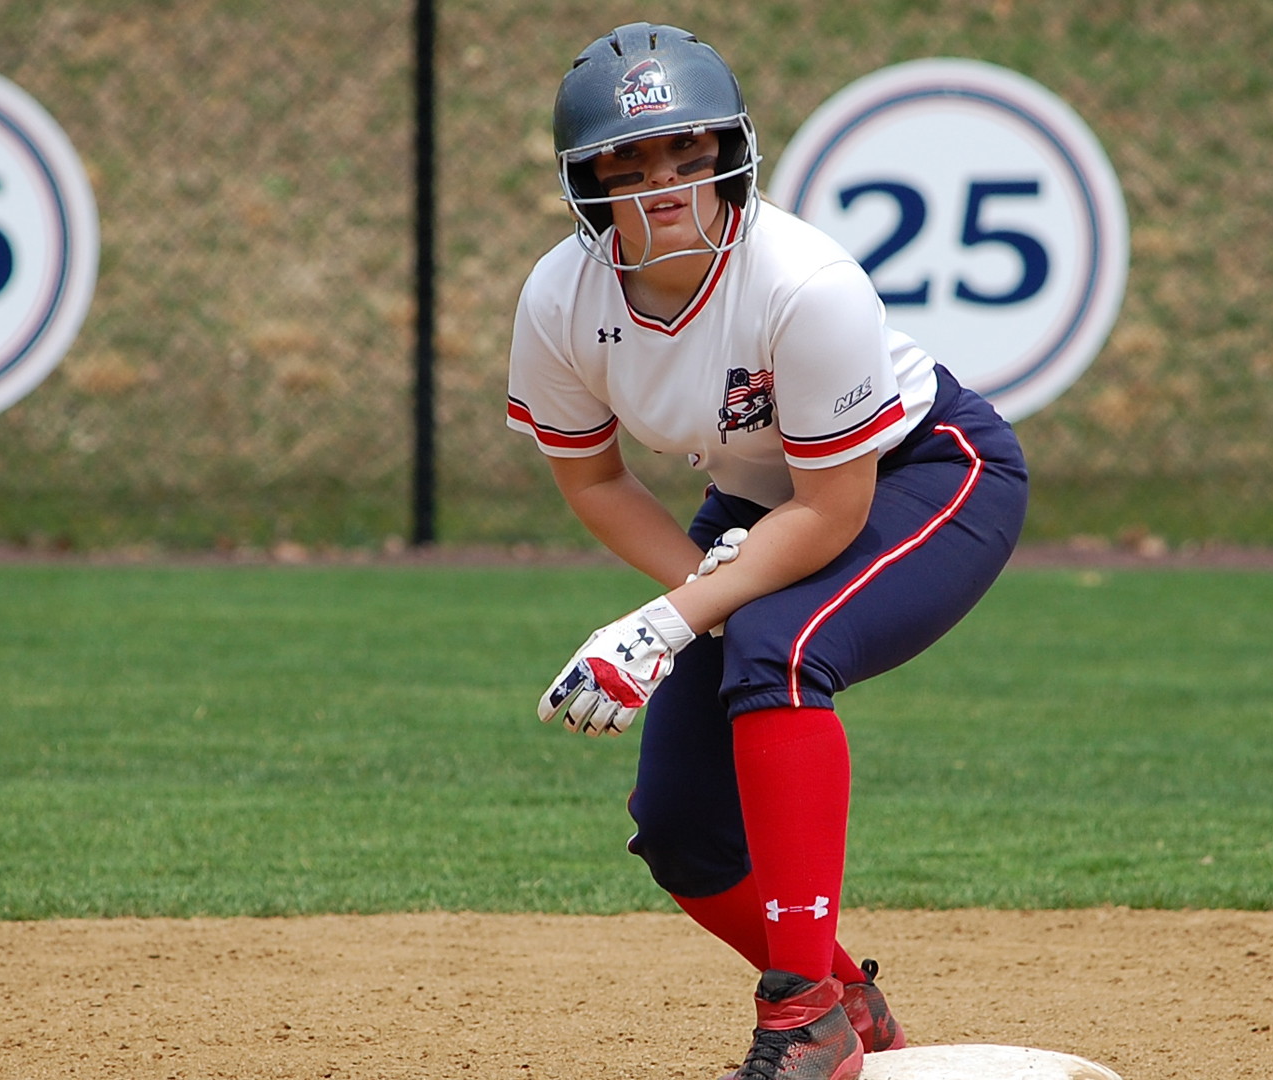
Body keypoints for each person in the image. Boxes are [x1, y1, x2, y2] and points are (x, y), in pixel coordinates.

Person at [506, 23, 1030, 1080]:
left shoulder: (802, 278)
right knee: (682, 831)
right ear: (587, 179)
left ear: (731, 152)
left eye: (687, 150)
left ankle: (800, 1020)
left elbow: (833, 511)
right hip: (757, 500)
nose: (664, 181)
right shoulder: (560, 300)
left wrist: (672, 622)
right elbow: (597, 483)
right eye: (629, 159)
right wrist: (687, 604)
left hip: (926, 473)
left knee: (779, 649)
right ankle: (845, 998)